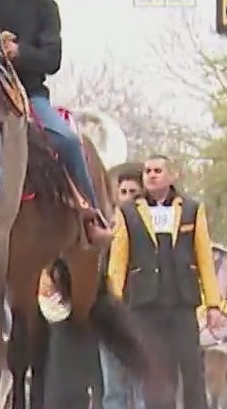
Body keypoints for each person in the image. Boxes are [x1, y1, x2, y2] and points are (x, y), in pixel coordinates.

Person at [0, 0, 110, 246]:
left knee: (68, 141)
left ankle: (90, 214)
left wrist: (19, 52)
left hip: (28, 94)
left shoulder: (44, 4)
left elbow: (52, 58)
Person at [107, 155, 224, 409]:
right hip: (145, 305)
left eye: (157, 170)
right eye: (148, 171)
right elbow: (118, 260)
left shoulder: (192, 209)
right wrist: (114, 301)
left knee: (192, 371)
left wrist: (213, 304)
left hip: (183, 302)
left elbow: (205, 259)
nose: (151, 175)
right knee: (156, 373)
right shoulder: (128, 212)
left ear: (171, 175)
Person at [100, 166, 147, 409]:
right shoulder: (104, 229)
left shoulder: (148, 232)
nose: (128, 196)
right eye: (124, 192)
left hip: (140, 311)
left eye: (133, 192)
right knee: (113, 388)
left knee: (140, 386)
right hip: (111, 312)